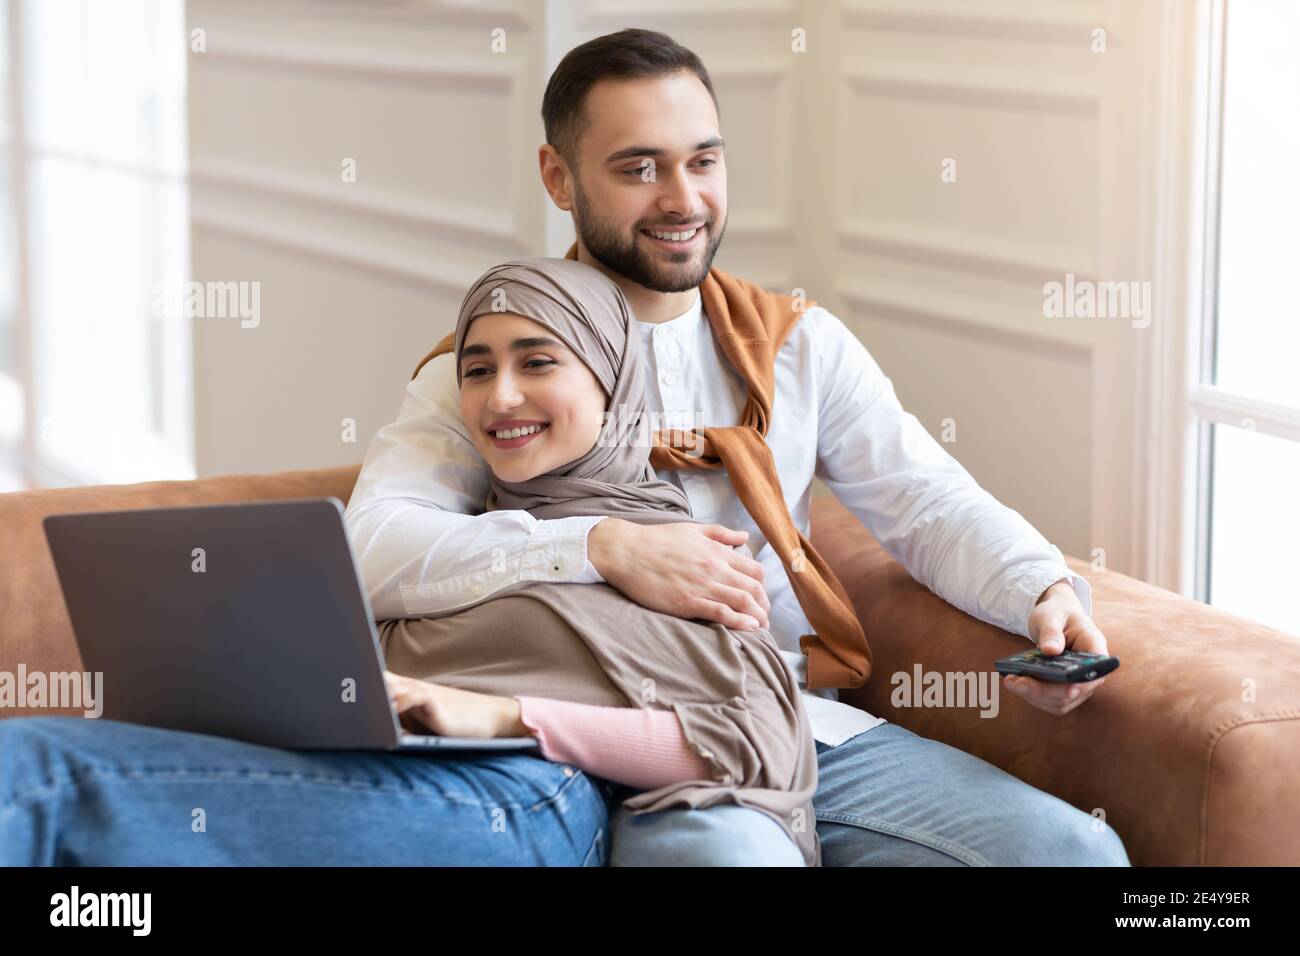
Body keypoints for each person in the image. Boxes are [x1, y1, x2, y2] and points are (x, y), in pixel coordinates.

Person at [345, 28, 1131, 866]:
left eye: (704, 161)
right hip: (576, 732)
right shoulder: (492, 367)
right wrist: (605, 548)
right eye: (639, 167)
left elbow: (926, 500)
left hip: (780, 718)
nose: (683, 198)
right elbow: (370, 549)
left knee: (1073, 853)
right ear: (558, 178)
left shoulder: (800, 347)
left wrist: (1040, 589)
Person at [377, 255, 821, 866]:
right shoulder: (442, 555)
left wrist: (509, 718)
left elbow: (753, 742)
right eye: (477, 370)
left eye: (537, 362)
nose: (500, 396)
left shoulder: (685, 558)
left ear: (611, 380)